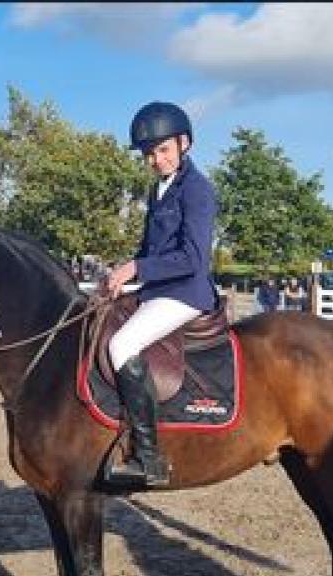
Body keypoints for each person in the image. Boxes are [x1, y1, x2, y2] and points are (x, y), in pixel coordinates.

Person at [100, 101, 219, 486]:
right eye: (149, 154)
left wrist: (137, 269)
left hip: (186, 291)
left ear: (184, 143)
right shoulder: (158, 192)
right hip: (157, 289)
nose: (156, 159)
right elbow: (151, 252)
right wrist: (122, 276)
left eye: (163, 150)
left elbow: (193, 257)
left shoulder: (197, 190)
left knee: (121, 346)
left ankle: (149, 458)